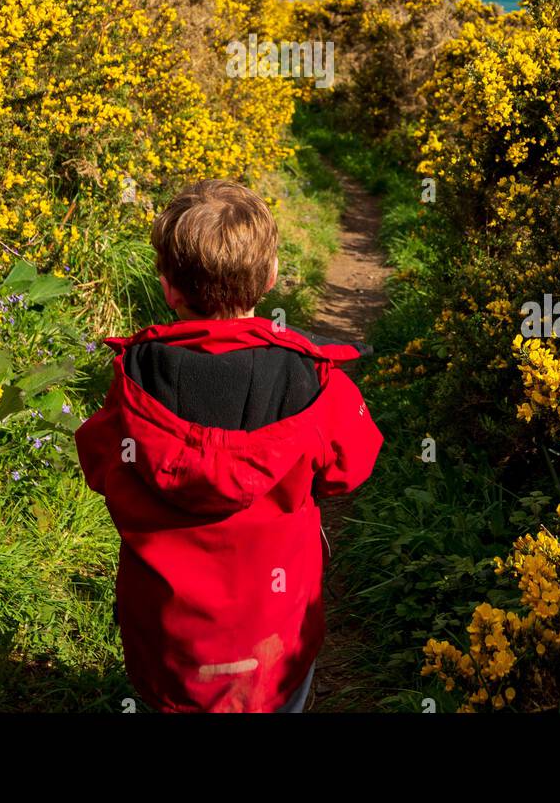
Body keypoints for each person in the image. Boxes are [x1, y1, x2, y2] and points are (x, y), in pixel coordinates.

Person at [75, 179, 382, 713]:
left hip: (168, 643)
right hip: (276, 643)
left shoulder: (135, 379)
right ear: (270, 277)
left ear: (169, 287)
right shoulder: (312, 379)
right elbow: (348, 469)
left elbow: (101, 466)